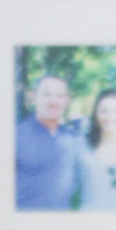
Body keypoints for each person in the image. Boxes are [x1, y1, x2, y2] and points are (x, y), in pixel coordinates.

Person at [15, 74, 81, 210]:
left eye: (59, 96)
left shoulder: (72, 139)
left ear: (66, 101)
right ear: (33, 97)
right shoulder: (15, 137)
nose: (53, 101)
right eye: (47, 94)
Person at [74, 89, 116, 211]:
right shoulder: (81, 144)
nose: (109, 116)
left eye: (115, 111)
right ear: (96, 114)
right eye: (103, 111)